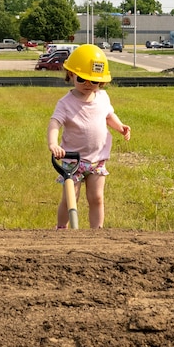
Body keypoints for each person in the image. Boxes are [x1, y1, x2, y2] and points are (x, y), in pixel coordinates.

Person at [46, 44, 131, 229]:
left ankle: (96, 233)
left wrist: (120, 127)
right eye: (82, 78)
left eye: (94, 81)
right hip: (72, 160)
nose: (88, 84)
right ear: (70, 75)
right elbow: (55, 123)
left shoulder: (102, 97)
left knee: (97, 198)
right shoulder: (65, 103)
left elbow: (109, 115)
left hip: (97, 160)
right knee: (70, 200)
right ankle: (61, 229)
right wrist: (53, 144)